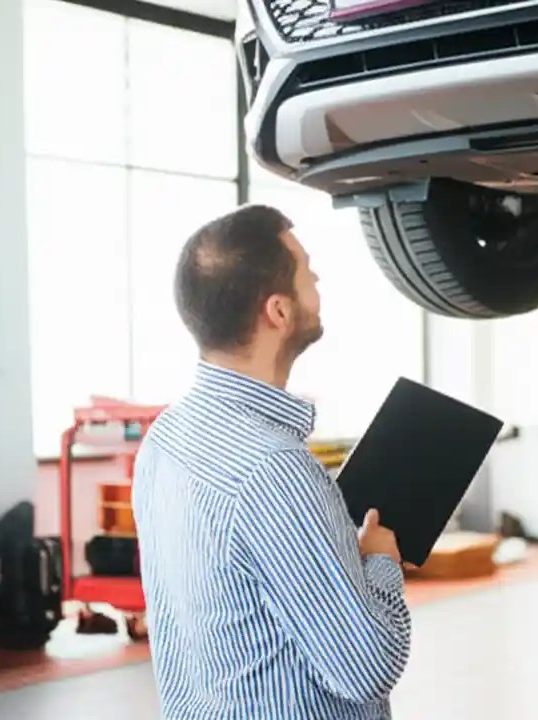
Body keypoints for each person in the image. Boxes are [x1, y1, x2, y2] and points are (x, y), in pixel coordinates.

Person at [131, 205, 412, 719]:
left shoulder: (165, 439)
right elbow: (366, 666)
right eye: (307, 268)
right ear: (278, 312)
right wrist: (378, 561)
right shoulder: (275, 468)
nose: (318, 276)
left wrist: (332, 561)